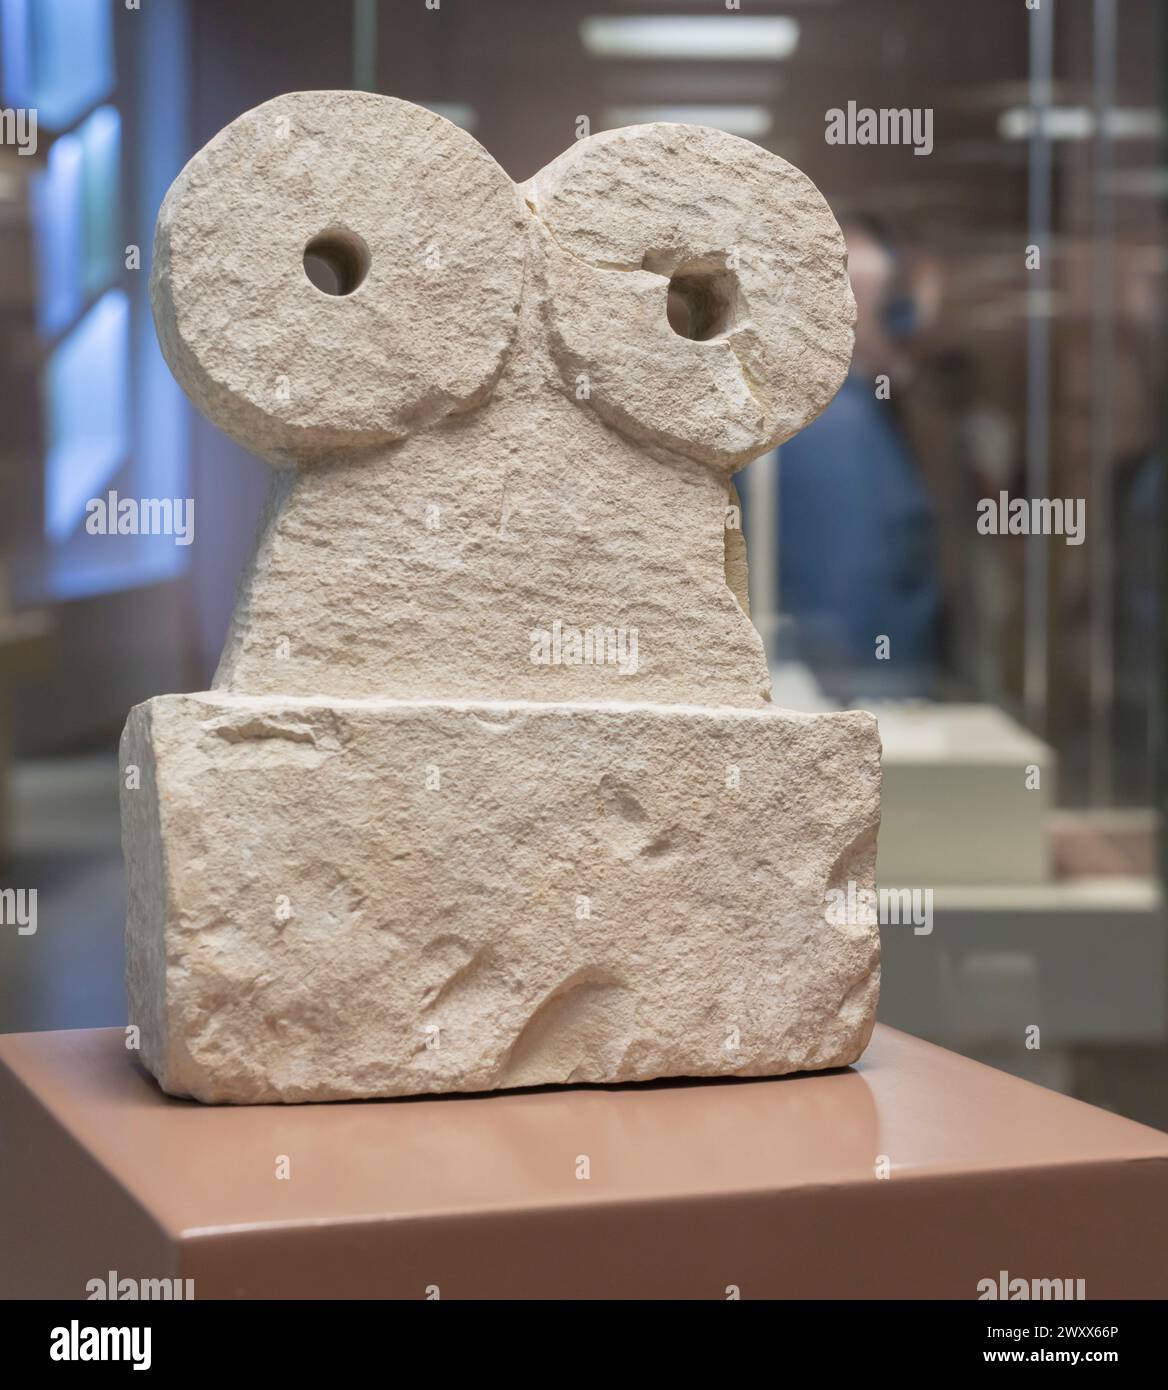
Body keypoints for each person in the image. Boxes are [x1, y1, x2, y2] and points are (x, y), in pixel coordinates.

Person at [774, 215, 940, 701]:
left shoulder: (842, 415)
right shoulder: (835, 427)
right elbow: (847, 591)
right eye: (898, 308)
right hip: (865, 703)